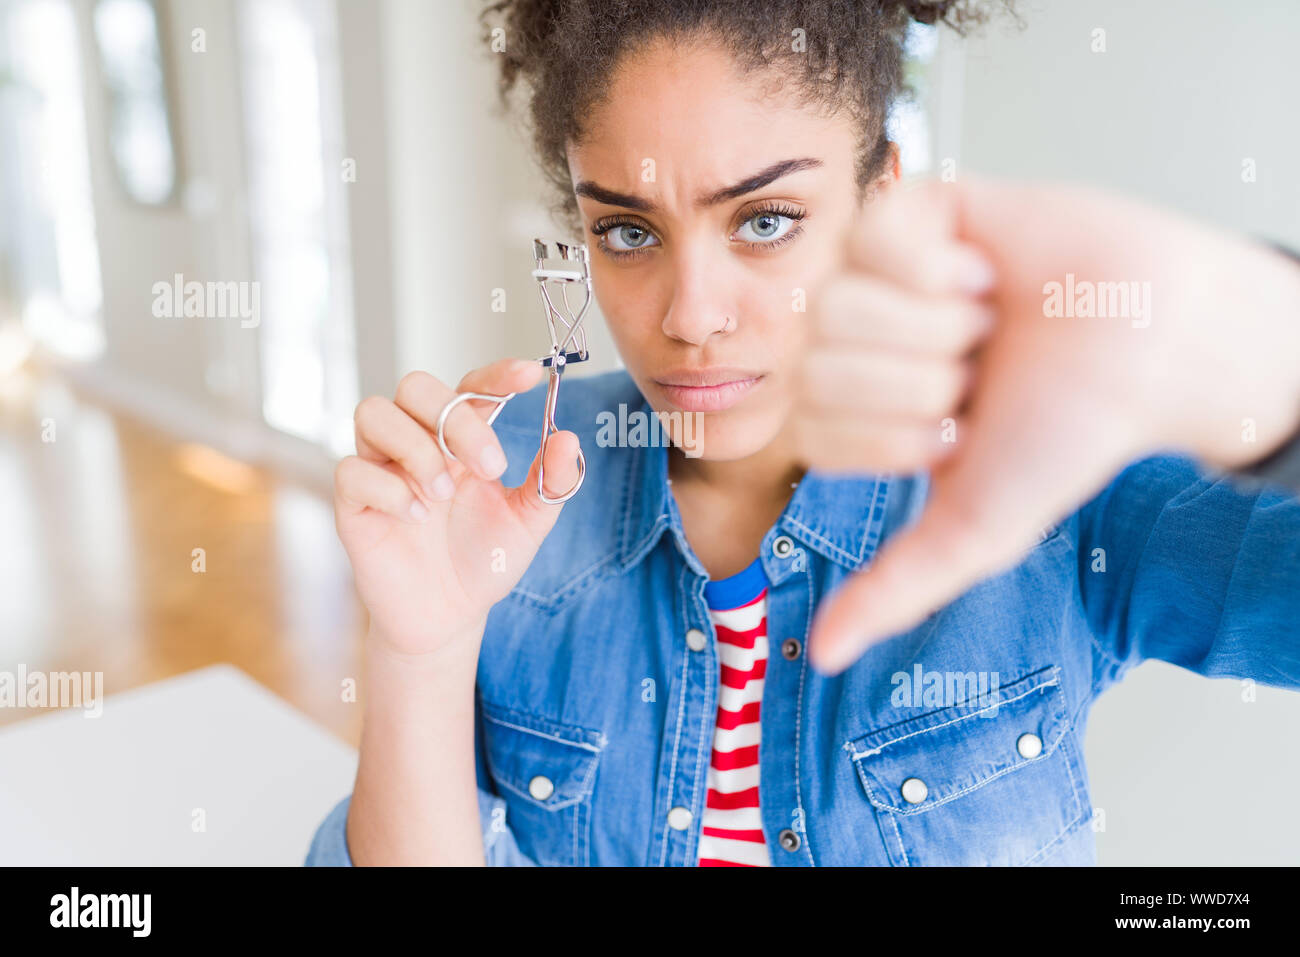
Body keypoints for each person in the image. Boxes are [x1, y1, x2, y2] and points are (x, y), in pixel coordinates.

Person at [306, 0, 1300, 866]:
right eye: (628, 231)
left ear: (879, 197)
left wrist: (1255, 341)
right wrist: (418, 653)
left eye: (765, 220)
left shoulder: (1050, 473)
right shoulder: (504, 485)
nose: (691, 316)